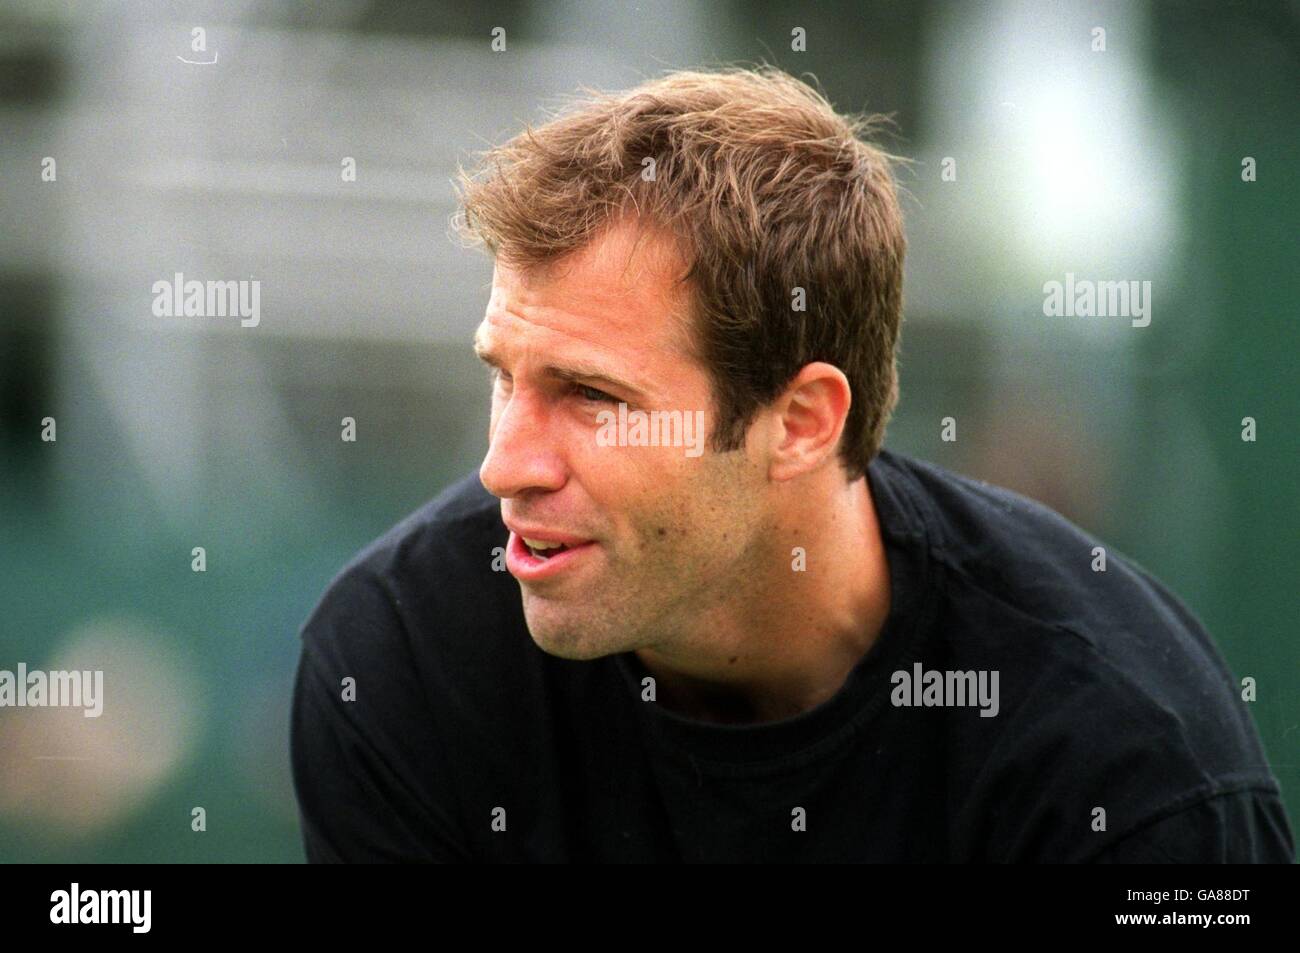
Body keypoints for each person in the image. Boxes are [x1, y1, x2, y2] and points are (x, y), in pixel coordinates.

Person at [289, 67, 1294, 862]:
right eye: (505, 377)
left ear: (802, 421)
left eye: (593, 396)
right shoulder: (401, 659)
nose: (506, 463)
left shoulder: (1118, 761)